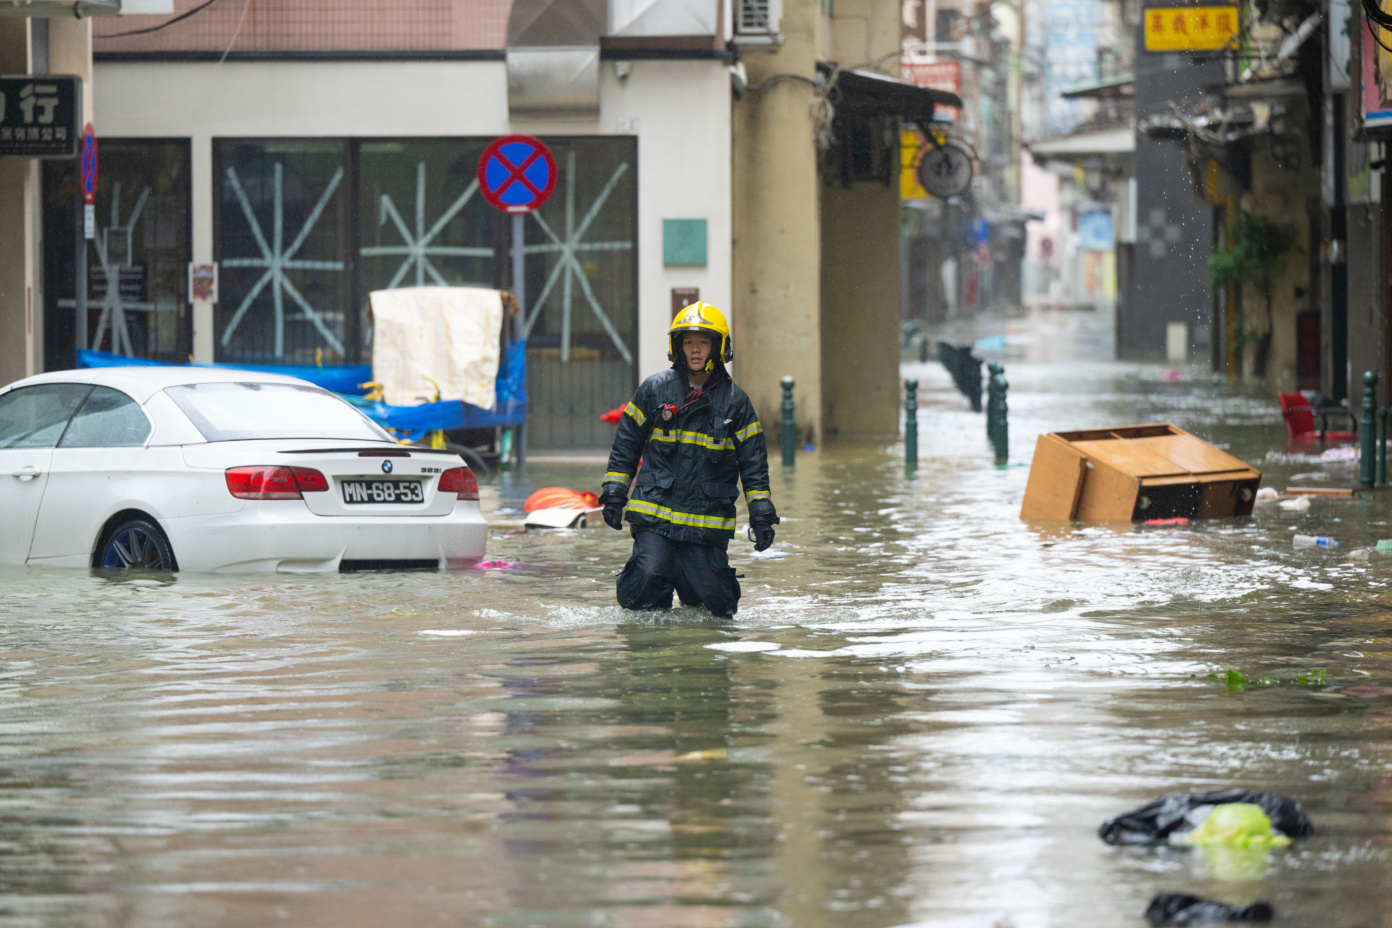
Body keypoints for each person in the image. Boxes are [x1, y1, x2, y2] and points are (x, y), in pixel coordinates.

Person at [599, 302, 779, 618]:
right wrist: (614, 494)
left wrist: (761, 515)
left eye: (703, 342)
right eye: (688, 342)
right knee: (648, 577)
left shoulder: (737, 403)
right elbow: (626, 444)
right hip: (656, 518)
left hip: (704, 526)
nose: (695, 350)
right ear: (678, 346)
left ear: (718, 347)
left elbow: (753, 464)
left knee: (712, 607)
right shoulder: (654, 390)